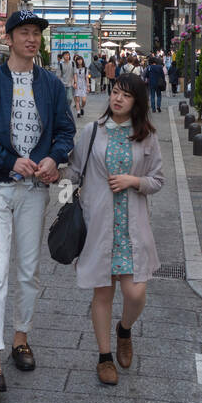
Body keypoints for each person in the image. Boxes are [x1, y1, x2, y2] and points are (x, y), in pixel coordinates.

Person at [0, 9, 75, 397]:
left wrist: (51, 159)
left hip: (34, 193)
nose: (32, 39)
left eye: (36, 34)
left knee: (29, 271)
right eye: (24, 32)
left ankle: (20, 338)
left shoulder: (51, 85)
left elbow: (65, 132)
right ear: (8, 38)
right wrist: (10, 160)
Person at [69, 70, 164, 385]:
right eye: (114, 92)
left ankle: (125, 329)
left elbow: (158, 179)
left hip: (131, 225)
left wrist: (134, 181)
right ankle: (104, 357)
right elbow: (74, 170)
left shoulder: (146, 136)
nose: (118, 98)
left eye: (125, 94)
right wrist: (51, 176)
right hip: (99, 223)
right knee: (103, 291)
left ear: (136, 101)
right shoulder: (93, 132)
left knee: (135, 291)